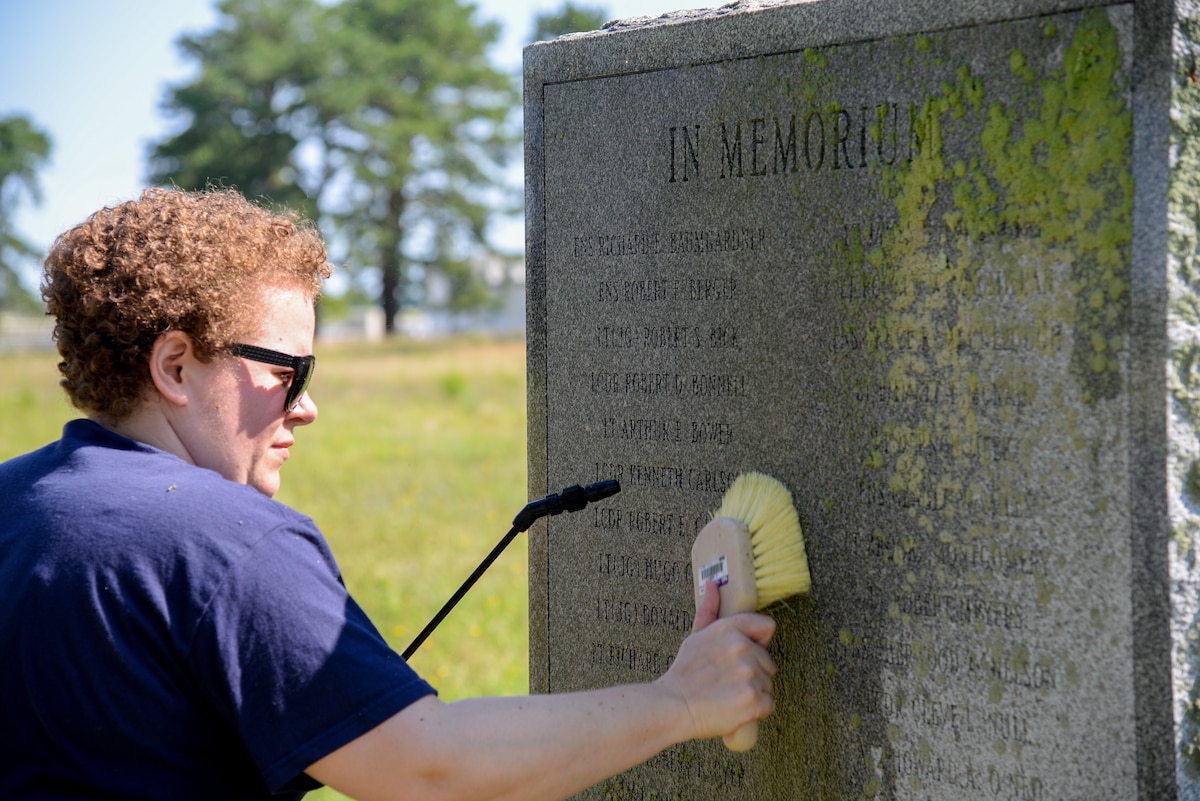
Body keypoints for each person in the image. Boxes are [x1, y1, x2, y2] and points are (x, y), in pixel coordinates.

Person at [0, 187, 778, 801]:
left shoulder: (13, 501)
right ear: (174, 366)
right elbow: (430, 772)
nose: (306, 405)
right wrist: (684, 700)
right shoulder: (230, 543)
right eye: (284, 372)